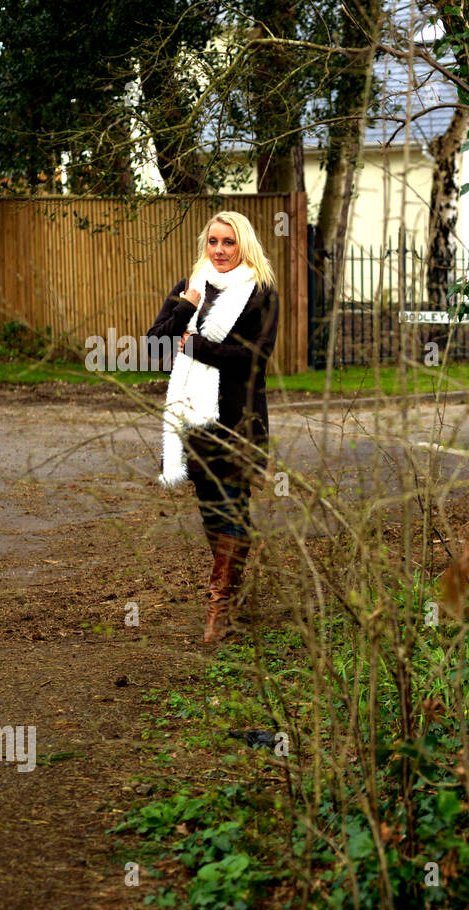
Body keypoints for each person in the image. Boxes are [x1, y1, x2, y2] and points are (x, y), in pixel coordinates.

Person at [146, 211, 280, 645]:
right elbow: (154, 343)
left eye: (229, 242)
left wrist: (197, 346)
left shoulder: (261, 293)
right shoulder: (192, 286)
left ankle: (218, 608)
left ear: (244, 245)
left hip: (239, 419)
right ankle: (235, 592)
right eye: (213, 242)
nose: (220, 250)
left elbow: (255, 359)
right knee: (211, 511)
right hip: (194, 419)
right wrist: (186, 305)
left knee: (233, 505)